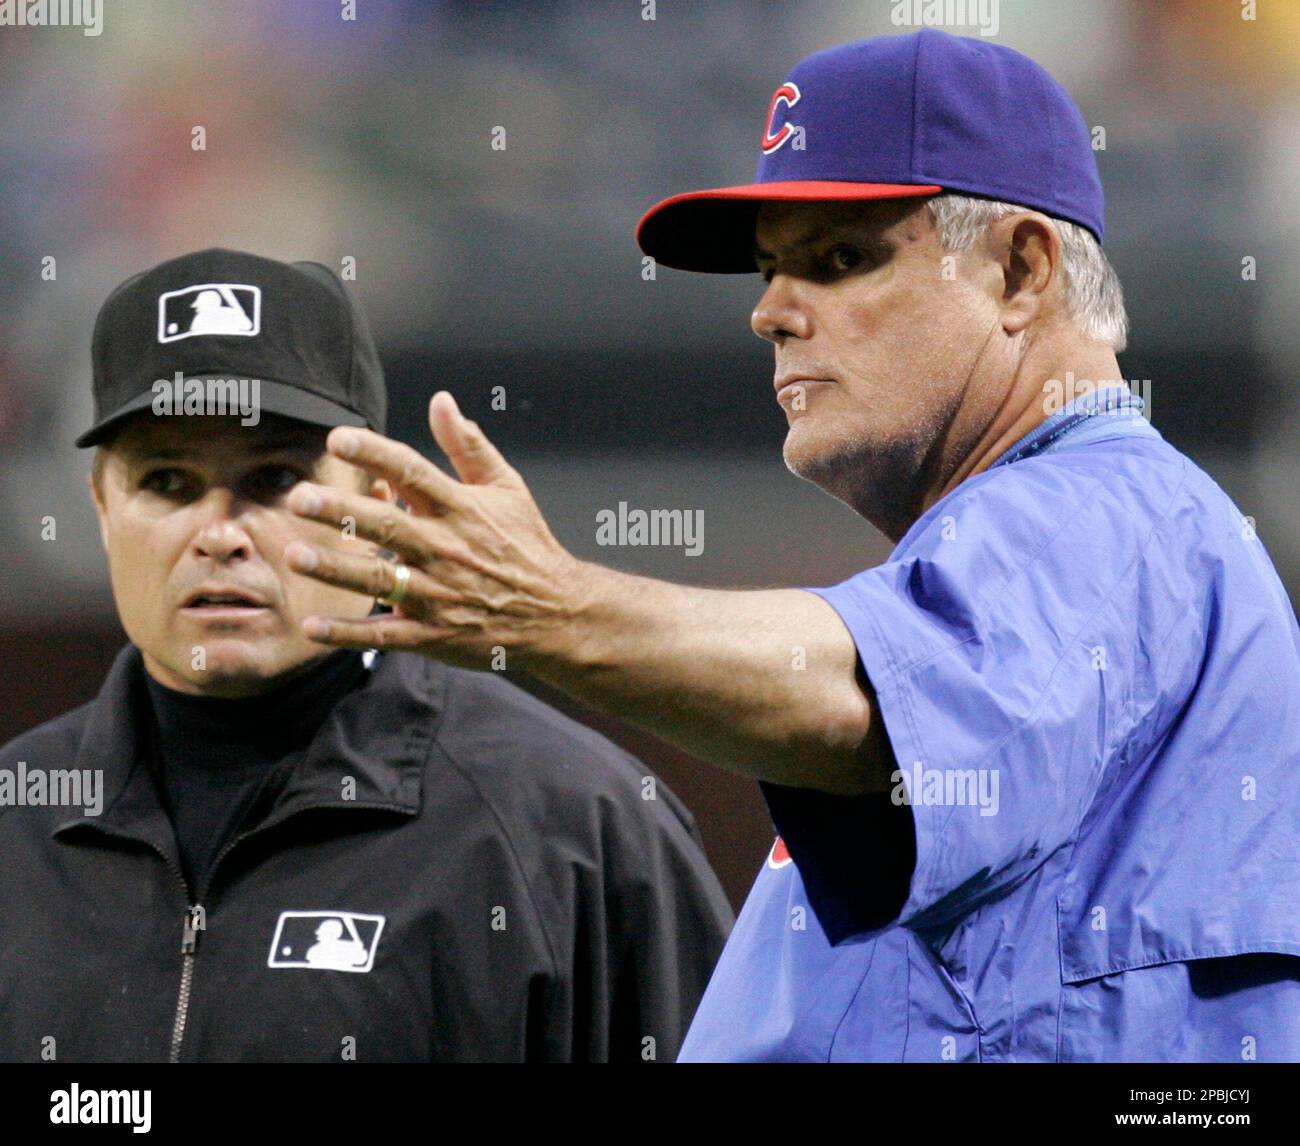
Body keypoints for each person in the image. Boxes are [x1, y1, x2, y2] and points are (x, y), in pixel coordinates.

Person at [274, 31, 1300, 1061]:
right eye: (770, 270)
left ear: (1018, 271)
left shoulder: (1101, 511)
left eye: (839, 259)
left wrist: (550, 607)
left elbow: (855, 704)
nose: (769, 311)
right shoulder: (1056, 538)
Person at [0, 247, 733, 1063]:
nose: (219, 534)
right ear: (102, 506)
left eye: (275, 478)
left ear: (376, 509)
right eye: (167, 482)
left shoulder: (571, 825)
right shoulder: (16, 821)